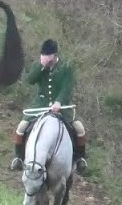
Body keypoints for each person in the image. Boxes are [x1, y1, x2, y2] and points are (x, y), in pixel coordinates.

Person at [10, 38, 88, 174]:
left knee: (79, 128)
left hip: (62, 107)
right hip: (41, 105)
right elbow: (30, 80)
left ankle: (80, 159)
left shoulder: (66, 67)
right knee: (21, 126)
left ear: (54, 55)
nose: (44, 57)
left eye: (47, 55)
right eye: (43, 55)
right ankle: (19, 158)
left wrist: (59, 102)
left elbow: (66, 88)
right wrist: (42, 66)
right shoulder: (39, 65)